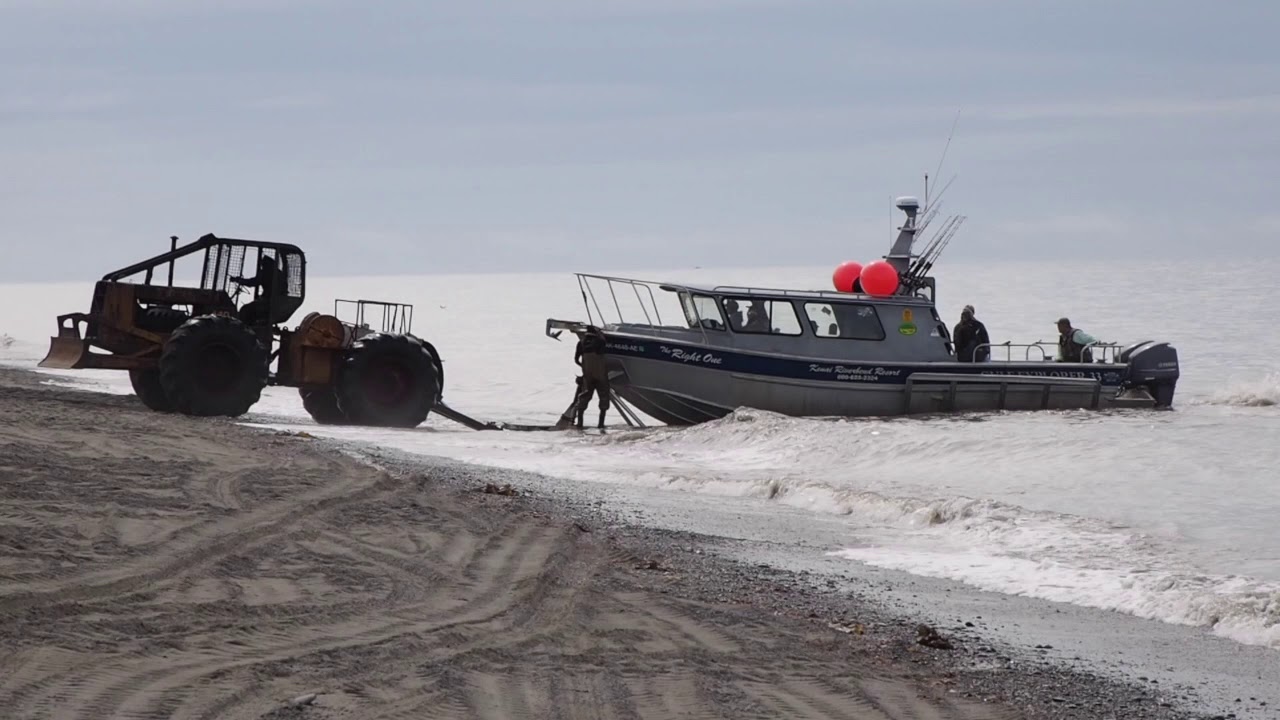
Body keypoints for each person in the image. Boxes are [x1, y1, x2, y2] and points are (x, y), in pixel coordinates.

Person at [571, 328, 610, 429]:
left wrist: (583, 366)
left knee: (584, 397)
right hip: (600, 375)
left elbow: (576, 359)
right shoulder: (599, 341)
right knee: (604, 398)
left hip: (588, 375)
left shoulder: (581, 343)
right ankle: (601, 424)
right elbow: (603, 345)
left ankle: (580, 423)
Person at [232, 254, 288, 325]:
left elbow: (252, 282)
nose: (261, 267)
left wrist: (238, 280)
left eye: (262, 265)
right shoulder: (278, 272)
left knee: (245, 310)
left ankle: (246, 329)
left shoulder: (266, 272)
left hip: (269, 303)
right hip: (278, 302)